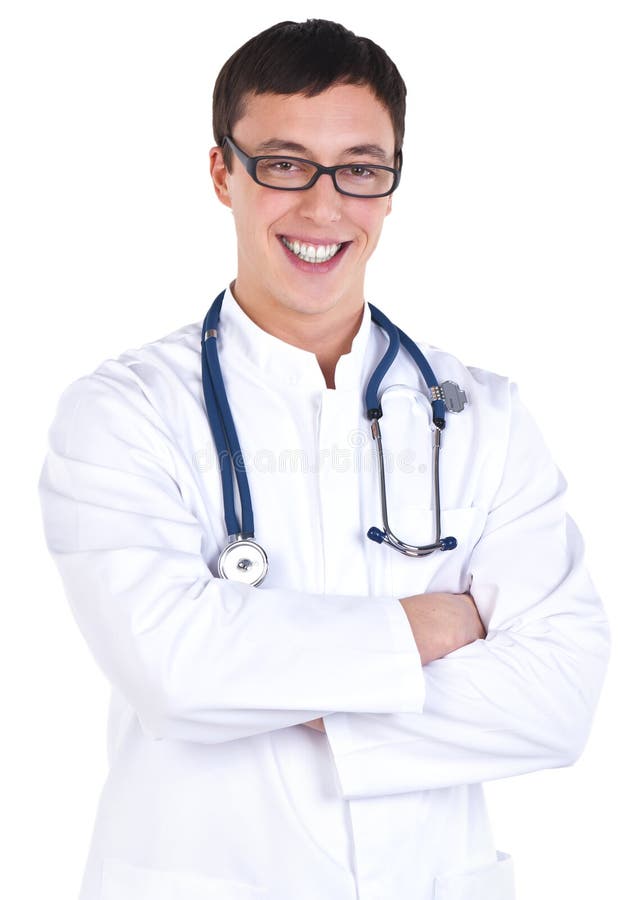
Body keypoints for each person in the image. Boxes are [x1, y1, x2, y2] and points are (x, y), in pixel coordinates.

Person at [38, 18, 610, 900]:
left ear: (390, 185)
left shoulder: (484, 416)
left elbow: (556, 705)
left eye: (359, 168)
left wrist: (269, 686)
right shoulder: (124, 413)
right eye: (283, 163)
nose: (322, 204)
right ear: (222, 172)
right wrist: (426, 629)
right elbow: (173, 673)